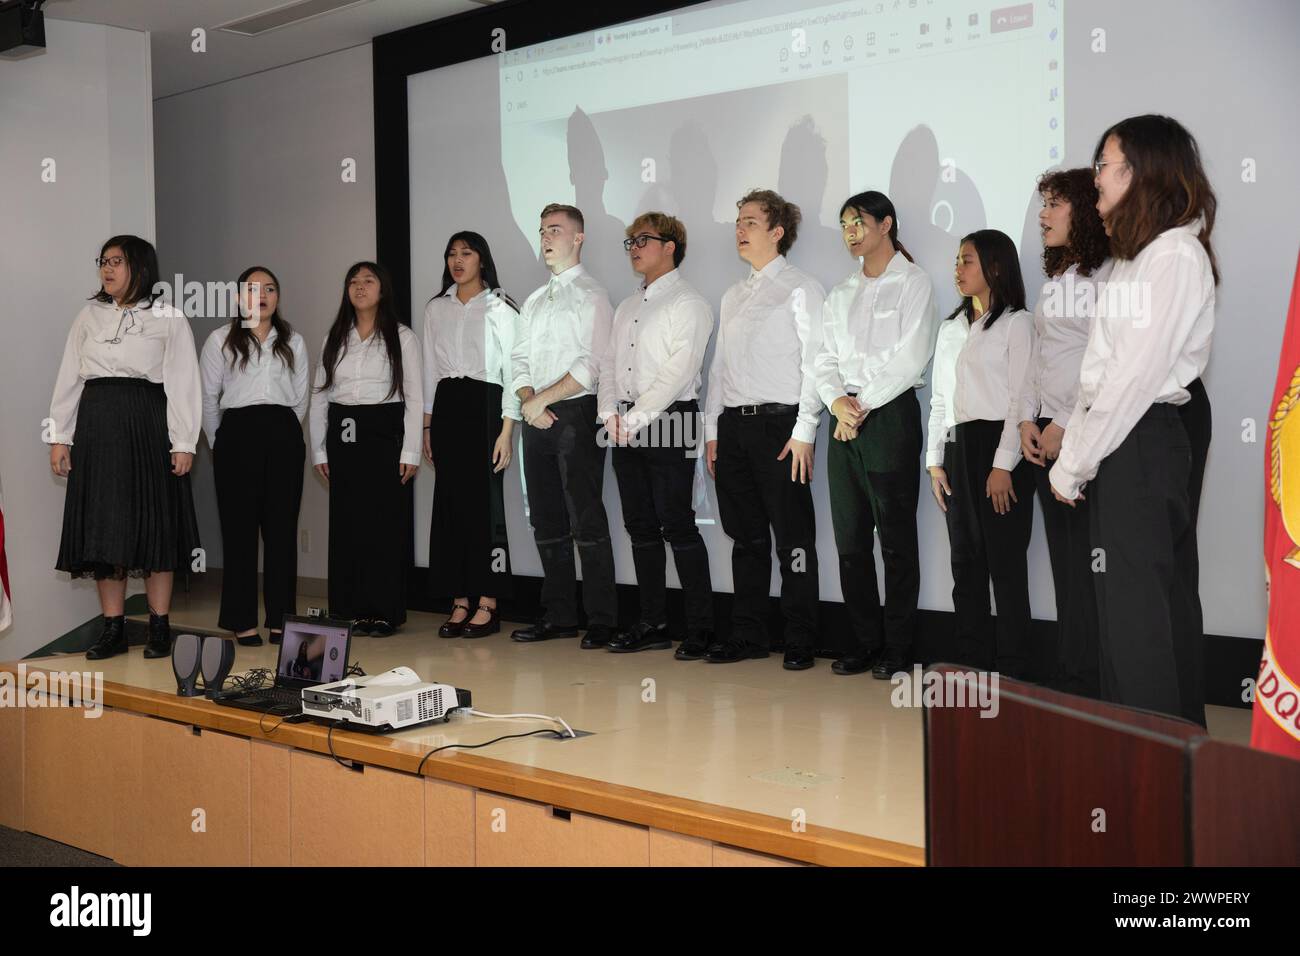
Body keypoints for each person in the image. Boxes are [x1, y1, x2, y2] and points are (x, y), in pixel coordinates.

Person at [1050, 115, 1218, 727]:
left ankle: (1156, 768)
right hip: (1126, 438)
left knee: (1138, 611)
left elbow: (1130, 381)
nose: (1095, 175)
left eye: (1105, 163)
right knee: (1136, 604)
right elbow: (1104, 373)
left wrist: (1073, 462)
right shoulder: (1139, 255)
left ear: (1142, 171)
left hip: (1139, 438)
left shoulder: (1172, 256)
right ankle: (1161, 756)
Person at [47, 235, 202, 660]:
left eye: (117, 261)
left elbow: (184, 381)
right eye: (103, 261)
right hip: (97, 425)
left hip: (147, 423)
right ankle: (113, 629)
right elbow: (68, 378)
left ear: (140, 266)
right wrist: (59, 436)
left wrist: (184, 441)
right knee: (104, 529)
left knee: (155, 528)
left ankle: (159, 628)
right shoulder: (88, 314)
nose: (107, 269)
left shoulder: (168, 315)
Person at [816, 191, 938, 678]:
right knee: (850, 541)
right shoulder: (841, 292)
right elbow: (822, 358)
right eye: (844, 224)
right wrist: (837, 404)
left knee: (895, 541)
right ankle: (865, 642)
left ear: (886, 224)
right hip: (843, 419)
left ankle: (898, 648)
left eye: (858, 222)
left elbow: (911, 358)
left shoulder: (915, 282)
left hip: (888, 417)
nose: (850, 231)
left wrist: (859, 405)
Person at [703, 189, 826, 668]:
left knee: (793, 539)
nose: (740, 228)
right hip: (734, 427)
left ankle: (800, 637)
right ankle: (749, 634)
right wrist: (713, 432)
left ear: (777, 232)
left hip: (782, 426)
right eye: (738, 220)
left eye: (750, 221)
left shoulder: (801, 288)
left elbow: (817, 364)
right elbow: (719, 369)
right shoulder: (733, 294)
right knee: (745, 537)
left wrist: (805, 431)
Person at [597, 212, 716, 655]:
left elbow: (678, 373)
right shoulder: (628, 306)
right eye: (629, 241)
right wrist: (609, 410)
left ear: (670, 246)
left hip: (671, 417)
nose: (633, 247)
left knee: (678, 525)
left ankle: (701, 628)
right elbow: (609, 364)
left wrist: (632, 420)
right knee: (640, 526)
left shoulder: (689, 302)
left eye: (643, 239)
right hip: (625, 421)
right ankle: (653, 623)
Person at [1016, 170, 1111, 696]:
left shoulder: (1107, 278)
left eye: (1054, 204)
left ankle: (1095, 678)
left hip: (1085, 441)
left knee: (1093, 567)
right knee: (1066, 567)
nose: (1043, 214)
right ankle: (1074, 673)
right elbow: (1040, 361)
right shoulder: (1056, 282)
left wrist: (1064, 425)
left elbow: (1104, 366)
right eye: (1042, 204)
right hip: (1046, 439)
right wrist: (1029, 419)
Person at [509, 204, 621, 648]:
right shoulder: (534, 300)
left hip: (575, 414)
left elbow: (590, 366)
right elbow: (517, 362)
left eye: (555, 230)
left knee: (586, 520)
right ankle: (558, 615)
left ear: (579, 238)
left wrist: (541, 400)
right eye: (542, 231)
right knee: (546, 521)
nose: (546, 238)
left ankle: (602, 619)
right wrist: (527, 401)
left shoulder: (593, 295)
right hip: (534, 416)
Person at [926, 230, 1034, 678]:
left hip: (999, 450)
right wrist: (934, 460)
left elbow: (1023, 398)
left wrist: (1003, 465)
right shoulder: (951, 328)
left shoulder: (1017, 323)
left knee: (1005, 567)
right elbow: (938, 400)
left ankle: (1013, 669)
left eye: (967, 260)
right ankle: (971, 662)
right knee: (965, 563)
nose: (958, 269)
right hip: (957, 447)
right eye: (956, 260)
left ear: (994, 266)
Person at [309, 261, 422, 636]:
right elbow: (319, 397)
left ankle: (384, 611)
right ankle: (349, 609)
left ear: (382, 289)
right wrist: (319, 451)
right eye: (353, 281)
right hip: (344, 435)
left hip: (384, 433)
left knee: (384, 526)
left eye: (368, 281)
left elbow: (414, 397)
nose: (359, 287)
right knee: (348, 524)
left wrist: (410, 452)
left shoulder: (401, 336)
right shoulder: (334, 337)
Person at [200, 266, 309, 647]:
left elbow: (299, 400)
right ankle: (241, 620)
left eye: (270, 289)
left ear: (278, 297)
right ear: (238, 297)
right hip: (236, 437)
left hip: (283, 434)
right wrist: (221, 445)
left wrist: (282, 435)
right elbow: (208, 400)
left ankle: (281, 619)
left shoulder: (292, 340)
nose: (261, 295)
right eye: (252, 289)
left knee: (281, 531)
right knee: (239, 533)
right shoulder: (219, 340)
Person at [422, 232, 520, 639]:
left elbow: (515, 371)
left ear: (483, 258)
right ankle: (459, 599)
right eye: (451, 254)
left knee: (486, 509)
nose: (457, 261)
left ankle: (489, 602)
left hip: (486, 403)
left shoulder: (501, 306)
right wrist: (427, 426)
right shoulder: (436, 308)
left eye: (466, 253)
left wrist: (507, 430)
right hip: (447, 405)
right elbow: (429, 369)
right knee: (449, 506)